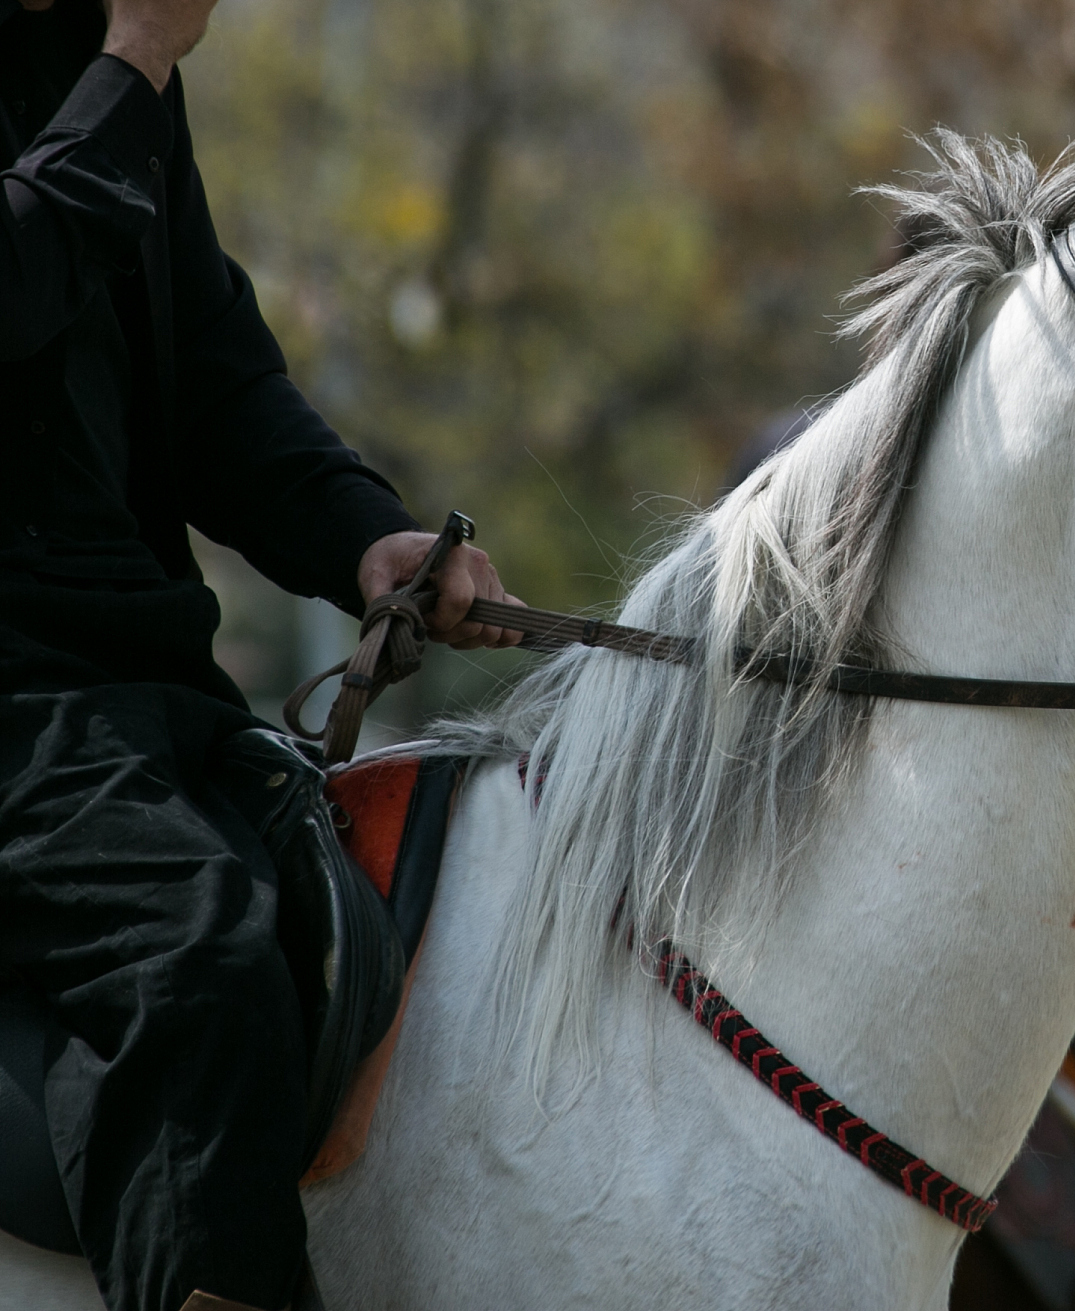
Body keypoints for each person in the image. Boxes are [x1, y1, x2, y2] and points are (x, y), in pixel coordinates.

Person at [0, 1, 519, 1307]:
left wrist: (367, 543)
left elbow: (217, 388)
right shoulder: (120, 74)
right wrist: (130, 70)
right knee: (199, 956)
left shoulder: (95, 69)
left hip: (133, 697)